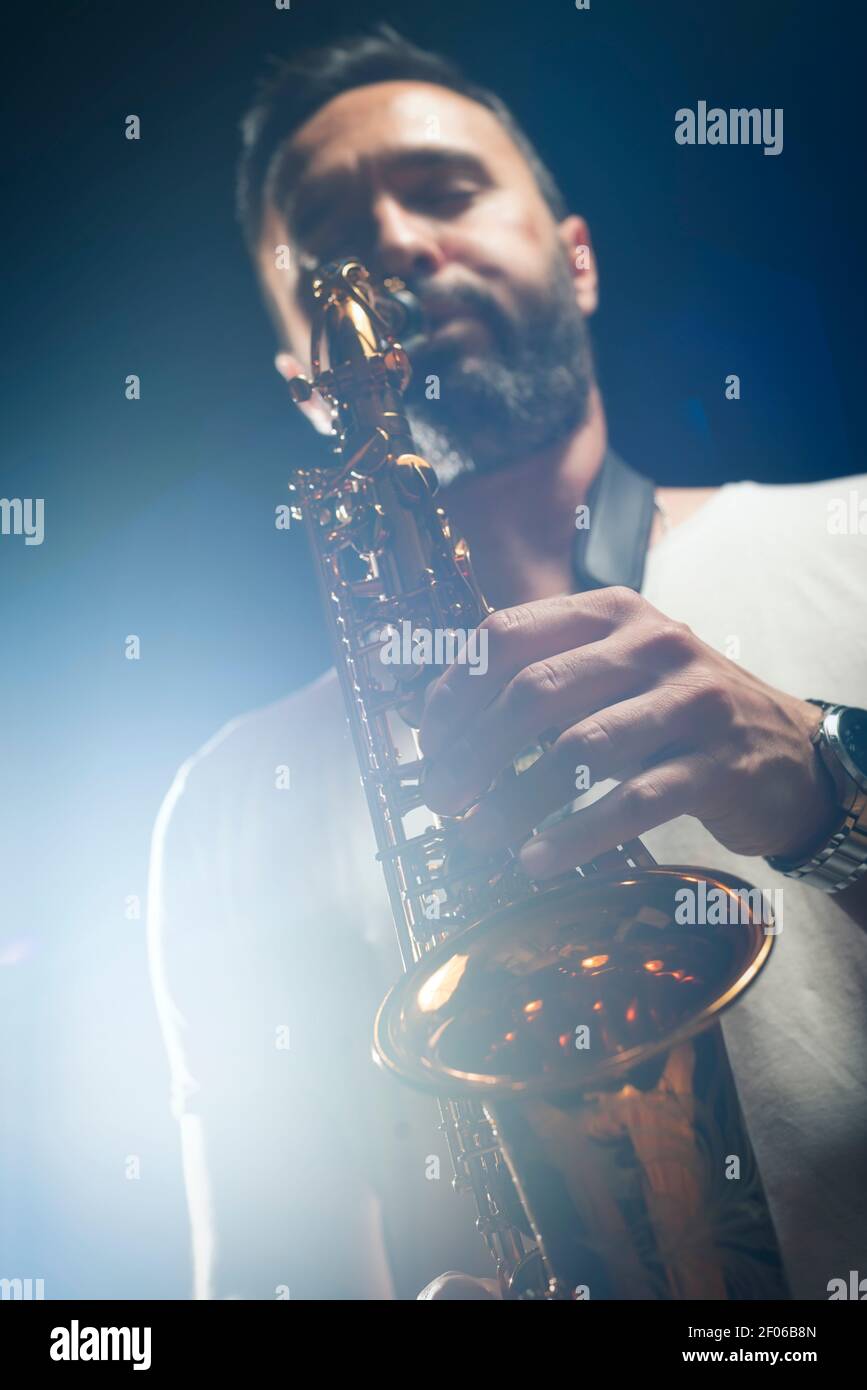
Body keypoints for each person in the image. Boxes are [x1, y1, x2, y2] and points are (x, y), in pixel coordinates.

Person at [147, 26, 867, 1301]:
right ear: (304, 383)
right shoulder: (225, 807)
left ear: (577, 257)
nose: (398, 249)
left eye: (445, 190)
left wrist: (833, 789)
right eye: (329, 246)